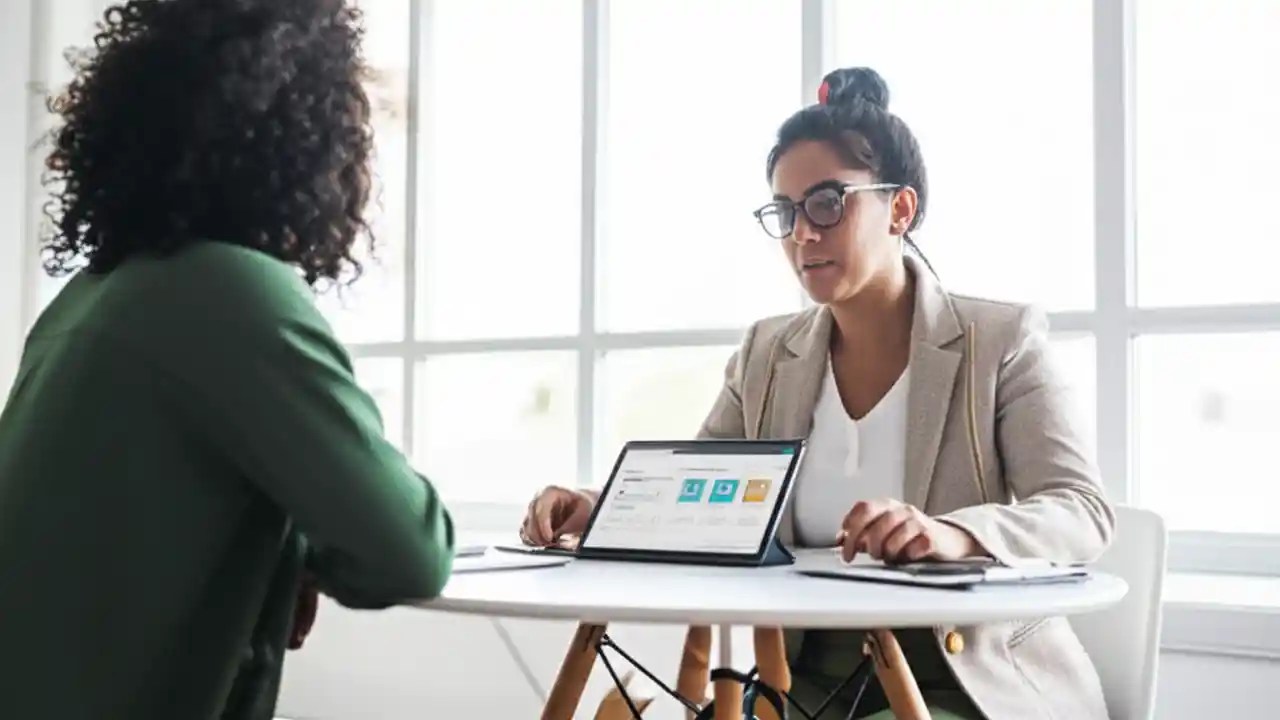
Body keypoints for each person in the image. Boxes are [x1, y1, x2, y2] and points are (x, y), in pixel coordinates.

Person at [519, 67, 1114, 719]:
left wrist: (949, 534)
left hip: (966, 684)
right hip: (803, 689)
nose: (803, 233)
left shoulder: (998, 340)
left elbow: (1080, 510)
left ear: (901, 209)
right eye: (786, 210)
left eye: (829, 203)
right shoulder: (768, 354)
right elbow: (691, 498)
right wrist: (593, 509)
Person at [0, 1, 454, 719]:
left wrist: (294, 545)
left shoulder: (89, 297)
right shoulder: (233, 294)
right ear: (305, 142)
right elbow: (409, 552)